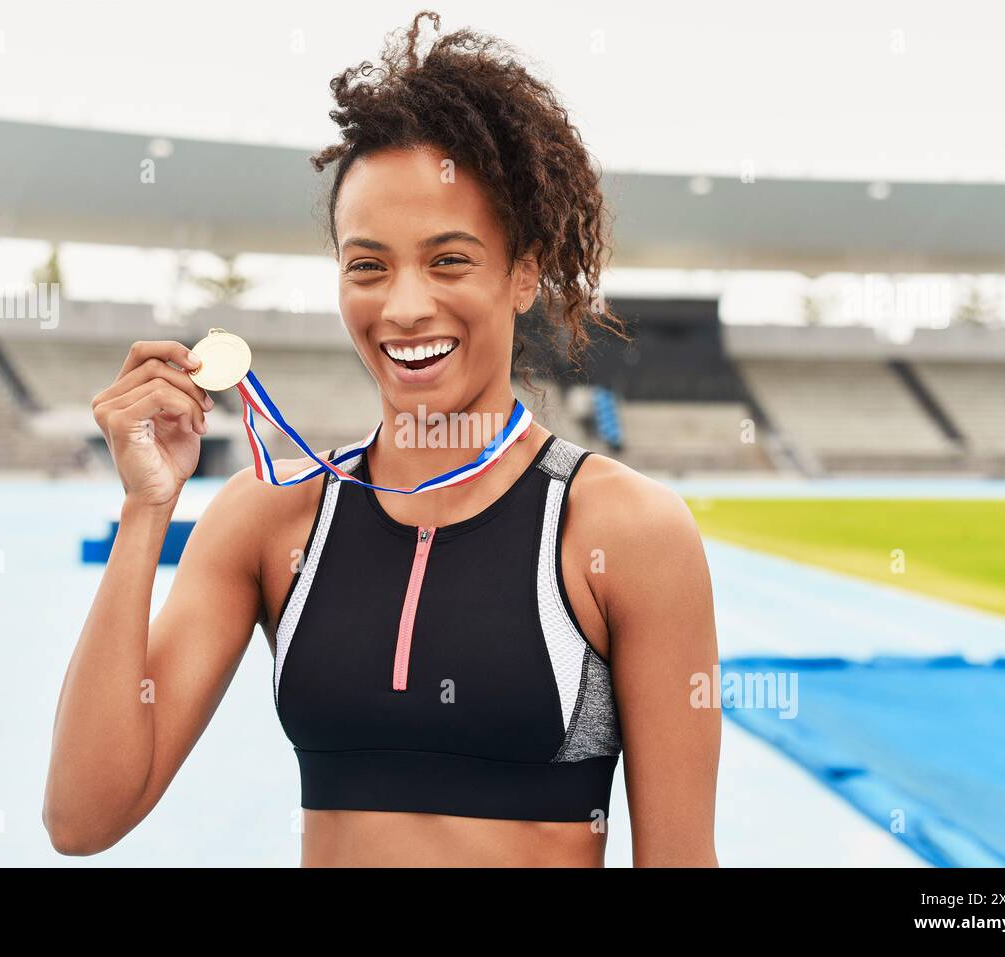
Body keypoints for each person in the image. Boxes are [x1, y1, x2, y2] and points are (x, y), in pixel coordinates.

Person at [42, 9, 719, 867]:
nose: (402, 307)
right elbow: (82, 815)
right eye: (368, 265)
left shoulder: (624, 532)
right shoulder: (270, 519)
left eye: (448, 260)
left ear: (523, 272)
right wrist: (146, 508)